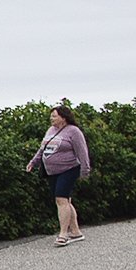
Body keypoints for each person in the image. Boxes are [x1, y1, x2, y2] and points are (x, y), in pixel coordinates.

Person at [29, 104, 90, 245]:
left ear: (63, 117)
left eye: (54, 116)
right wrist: (33, 162)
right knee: (65, 201)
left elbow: (82, 152)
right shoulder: (51, 130)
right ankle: (76, 232)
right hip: (52, 172)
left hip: (69, 169)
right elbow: (42, 148)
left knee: (61, 199)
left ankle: (63, 234)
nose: (51, 118)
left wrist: (85, 171)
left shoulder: (73, 131)